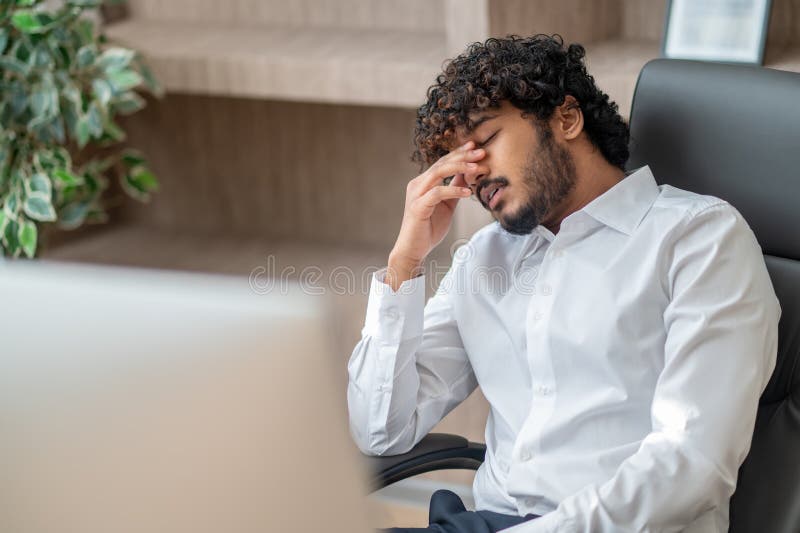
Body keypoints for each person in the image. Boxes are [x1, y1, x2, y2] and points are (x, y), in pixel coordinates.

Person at [347, 34, 780, 533]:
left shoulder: (698, 240)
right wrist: (405, 261)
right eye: (458, 158)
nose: (472, 173)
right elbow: (380, 431)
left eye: (485, 140)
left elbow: (691, 464)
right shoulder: (484, 260)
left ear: (567, 118)